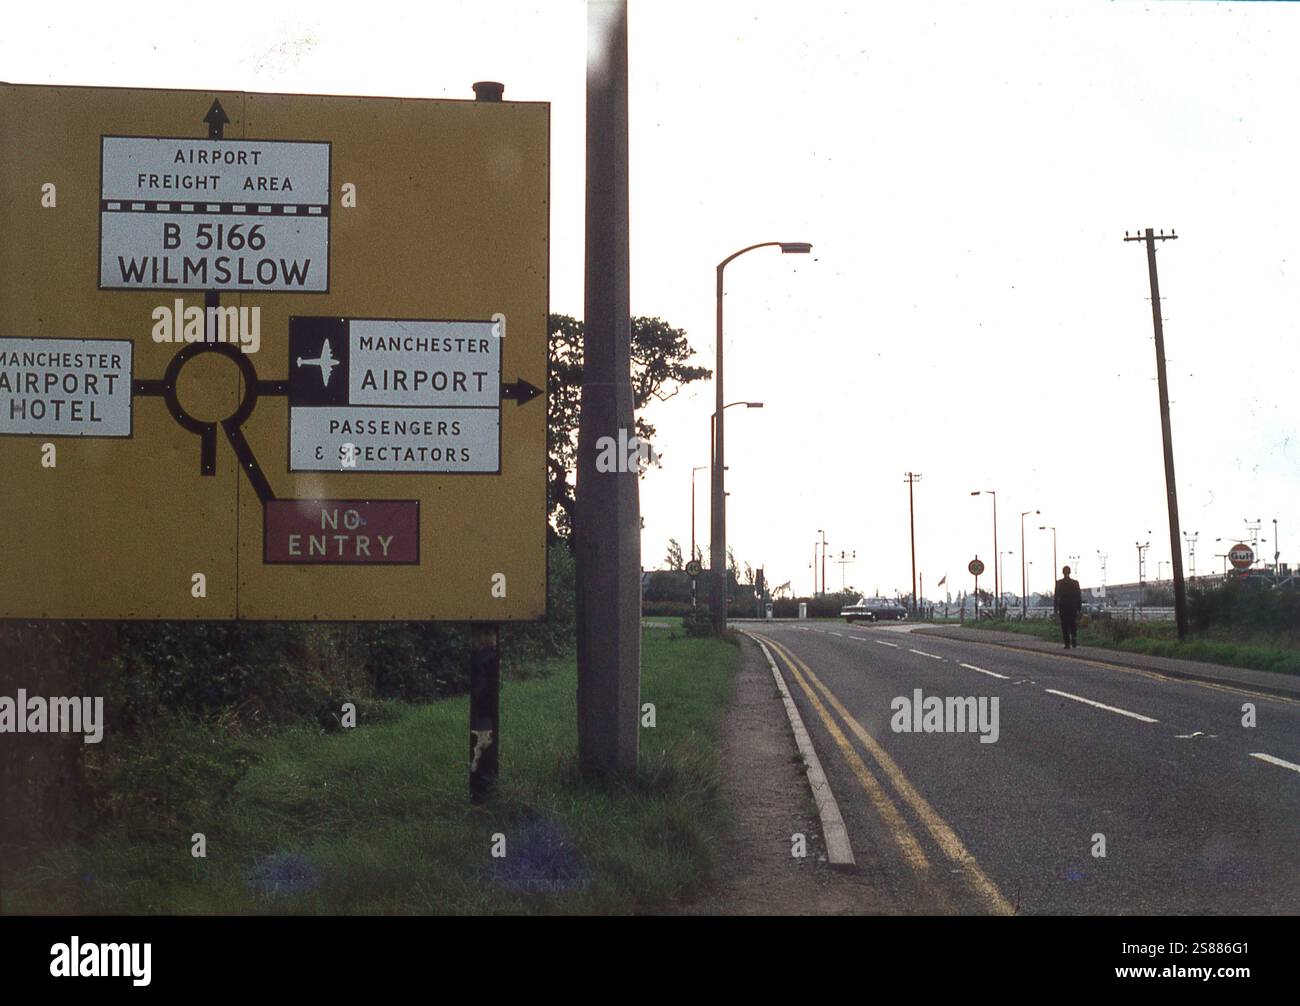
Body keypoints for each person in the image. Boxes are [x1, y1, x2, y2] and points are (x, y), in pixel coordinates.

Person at [1054, 565, 1083, 648]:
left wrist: (1055, 609)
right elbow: (1078, 596)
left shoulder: (1059, 583)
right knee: (1073, 624)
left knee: (1064, 625)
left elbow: (1056, 597)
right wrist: (1079, 608)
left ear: (1063, 572)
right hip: (1073, 606)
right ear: (1070, 572)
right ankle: (1074, 639)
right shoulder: (1075, 583)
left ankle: (1067, 643)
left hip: (1063, 607)